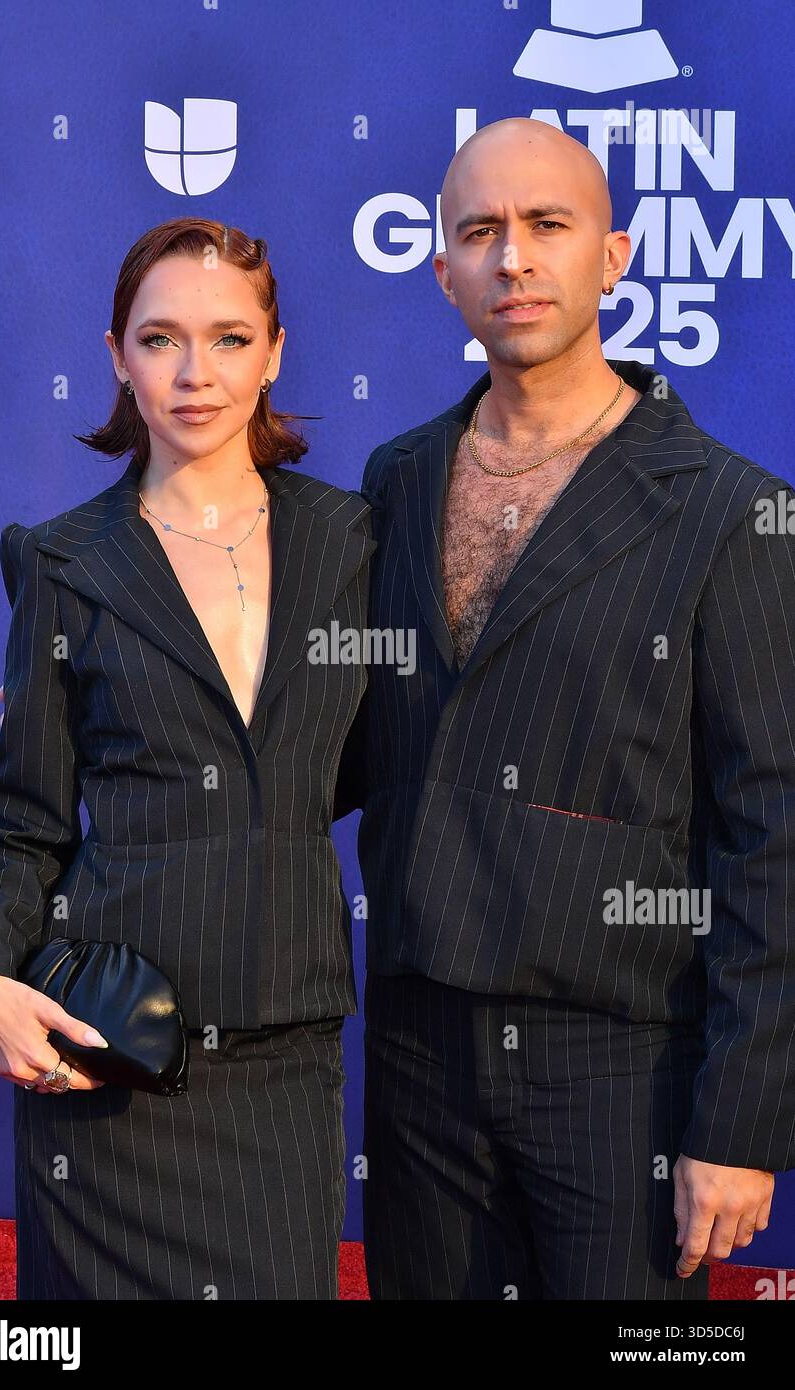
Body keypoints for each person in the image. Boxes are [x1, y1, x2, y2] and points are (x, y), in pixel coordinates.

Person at [352, 118, 795, 1299]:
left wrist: (741, 1117)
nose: (514, 258)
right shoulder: (395, 477)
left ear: (613, 255)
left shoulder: (728, 511)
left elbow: (774, 836)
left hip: (624, 1065)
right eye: (480, 231)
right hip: (413, 1050)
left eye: (548, 225)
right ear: (440, 266)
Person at [0, 216, 375, 1300]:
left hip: (285, 1056)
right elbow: (23, 822)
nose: (196, 373)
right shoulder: (62, 561)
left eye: (229, 339)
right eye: (160, 339)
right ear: (114, 356)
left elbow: (392, 760)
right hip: (106, 1055)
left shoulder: (354, 542)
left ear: (275, 350)